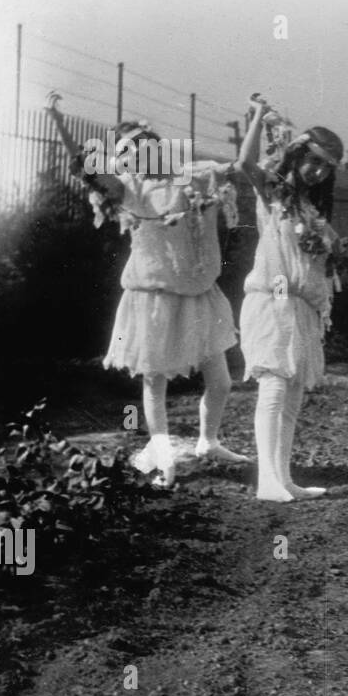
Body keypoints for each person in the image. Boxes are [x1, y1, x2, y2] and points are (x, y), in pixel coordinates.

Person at [46, 93, 247, 488]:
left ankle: (208, 441)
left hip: (198, 292)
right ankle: (161, 452)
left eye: (144, 148)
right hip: (152, 295)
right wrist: (58, 120)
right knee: (155, 379)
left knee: (221, 381)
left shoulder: (192, 176)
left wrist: (256, 119)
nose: (139, 157)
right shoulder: (128, 189)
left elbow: (239, 168)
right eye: (130, 153)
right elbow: (85, 170)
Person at [237, 94, 343, 502]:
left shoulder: (312, 211)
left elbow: (335, 250)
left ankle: (284, 477)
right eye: (312, 161)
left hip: (302, 306)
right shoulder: (275, 194)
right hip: (272, 299)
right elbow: (247, 164)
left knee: (293, 393)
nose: (317, 171)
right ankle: (266, 479)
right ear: (297, 155)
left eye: (326, 167)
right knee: (275, 387)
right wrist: (259, 117)